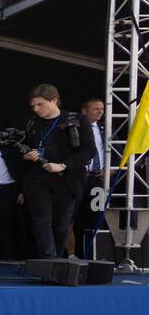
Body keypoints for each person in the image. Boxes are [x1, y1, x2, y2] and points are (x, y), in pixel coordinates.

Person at [19, 84, 96, 259]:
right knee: (41, 221)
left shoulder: (77, 119)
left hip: (67, 178)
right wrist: (27, 155)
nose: (36, 109)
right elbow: (23, 148)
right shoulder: (32, 123)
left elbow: (89, 151)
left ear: (54, 100)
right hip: (38, 178)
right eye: (33, 106)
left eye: (40, 104)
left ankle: (57, 261)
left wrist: (63, 165)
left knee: (62, 225)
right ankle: (49, 260)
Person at [71, 97, 106, 256]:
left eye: (102, 109)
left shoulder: (105, 129)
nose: (100, 112)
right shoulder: (72, 129)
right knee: (70, 216)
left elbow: (117, 151)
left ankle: (92, 254)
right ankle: (69, 255)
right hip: (76, 178)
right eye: (95, 108)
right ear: (84, 111)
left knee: (95, 217)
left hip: (97, 179)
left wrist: (109, 169)